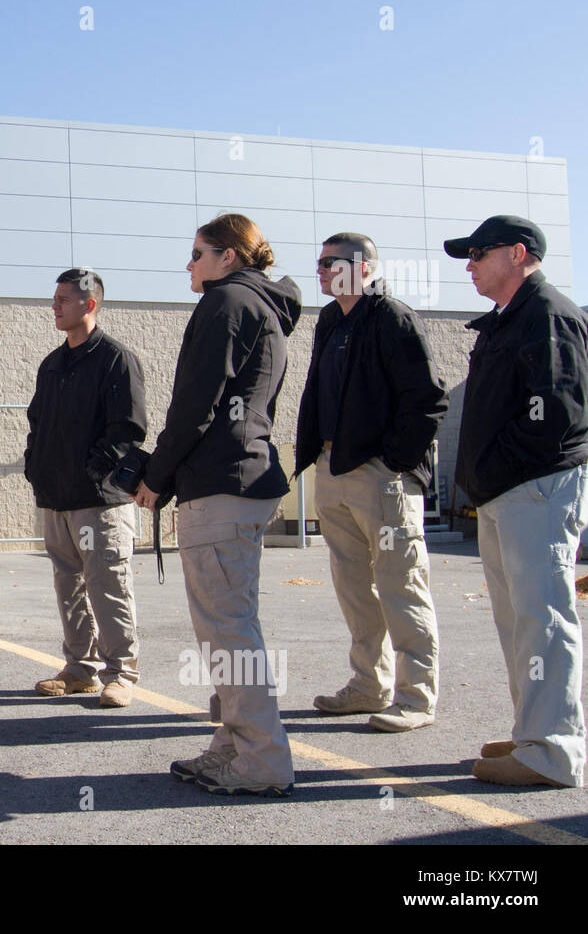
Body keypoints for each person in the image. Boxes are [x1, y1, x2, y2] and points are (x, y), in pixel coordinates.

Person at [133, 213, 300, 797]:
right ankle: (234, 743)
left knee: (229, 632)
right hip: (241, 482)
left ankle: (262, 761)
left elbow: (194, 405)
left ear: (229, 256)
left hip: (222, 486)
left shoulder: (225, 302)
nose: (190, 264)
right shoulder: (259, 305)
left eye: (198, 253)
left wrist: (156, 477)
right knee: (230, 627)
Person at [447, 215, 588, 788]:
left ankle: (552, 751)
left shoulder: (548, 314)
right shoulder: (510, 318)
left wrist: (497, 468)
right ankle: (534, 732)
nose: (470, 265)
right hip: (507, 491)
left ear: (517, 253)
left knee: (543, 619)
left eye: (478, 253)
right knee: (518, 622)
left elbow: (555, 414)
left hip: (535, 487)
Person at [295, 233, 447, 732]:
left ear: (363, 267)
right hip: (332, 468)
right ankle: (368, 685)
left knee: (401, 585)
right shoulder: (331, 320)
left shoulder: (393, 318)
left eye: (330, 262)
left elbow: (428, 399)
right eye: (319, 262)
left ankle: (416, 698)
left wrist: (392, 463)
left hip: (381, 476)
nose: (320, 270)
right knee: (354, 587)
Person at [25, 269, 146, 707]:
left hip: (99, 502)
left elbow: (128, 428)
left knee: (107, 584)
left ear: (89, 304)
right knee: (69, 586)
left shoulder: (116, 359)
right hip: (56, 499)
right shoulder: (52, 364)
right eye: (54, 298)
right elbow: (37, 423)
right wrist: (36, 468)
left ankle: (121, 673)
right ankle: (80, 669)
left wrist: (94, 471)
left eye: (64, 299)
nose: (54, 306)